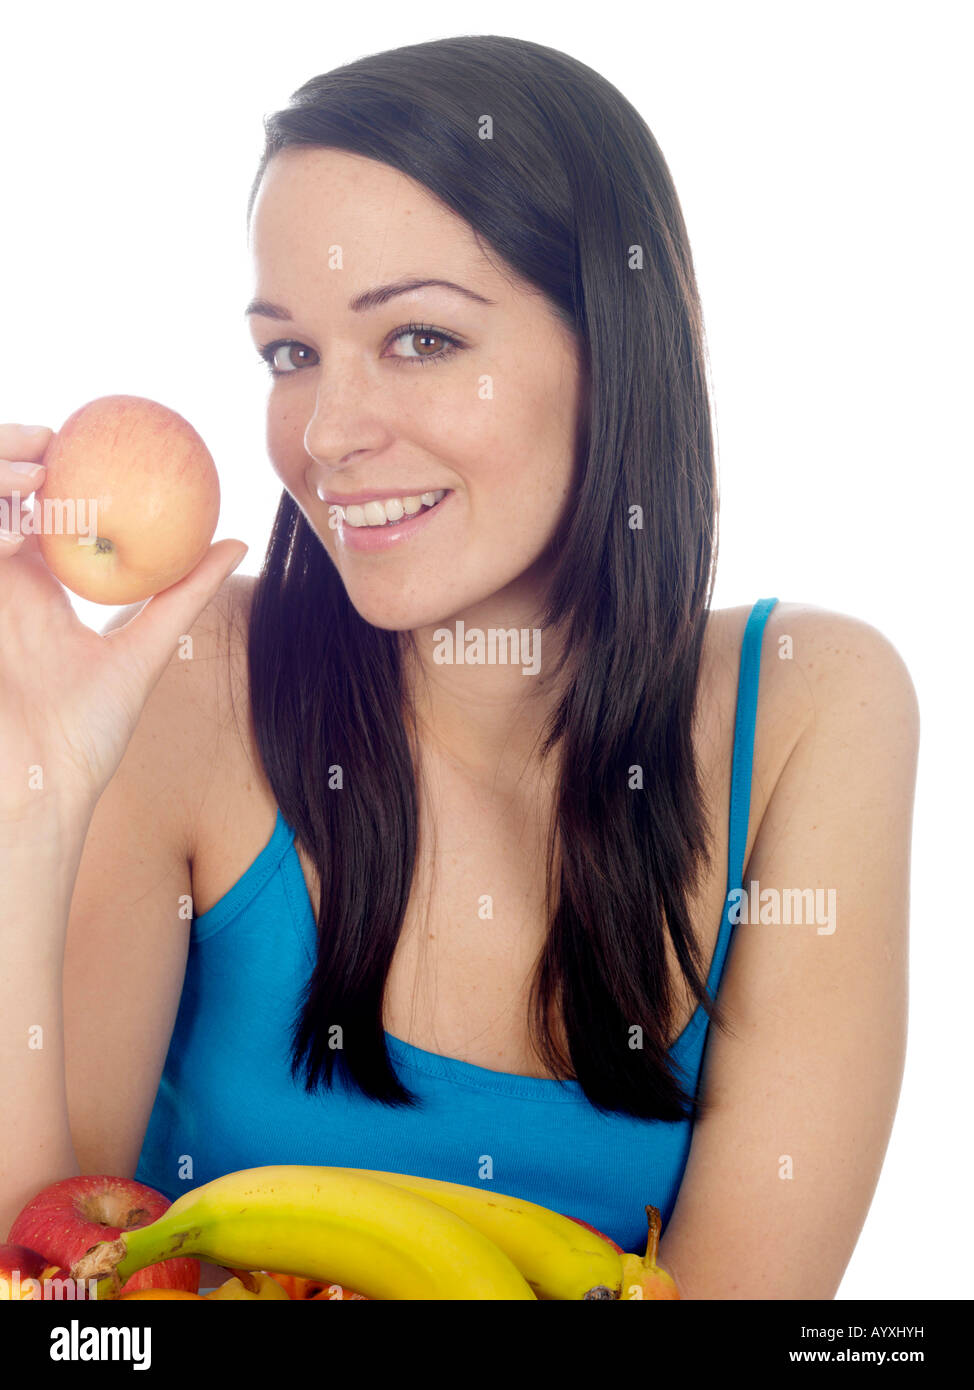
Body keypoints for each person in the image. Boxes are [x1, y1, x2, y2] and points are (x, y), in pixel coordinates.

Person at [0, 35, 918, 1298]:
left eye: (420, 339)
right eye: (290, 352)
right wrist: (29, 797)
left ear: (614, 343)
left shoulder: (818, 706)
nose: (325, 434)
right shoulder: (200, 672)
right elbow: (52, 1284)